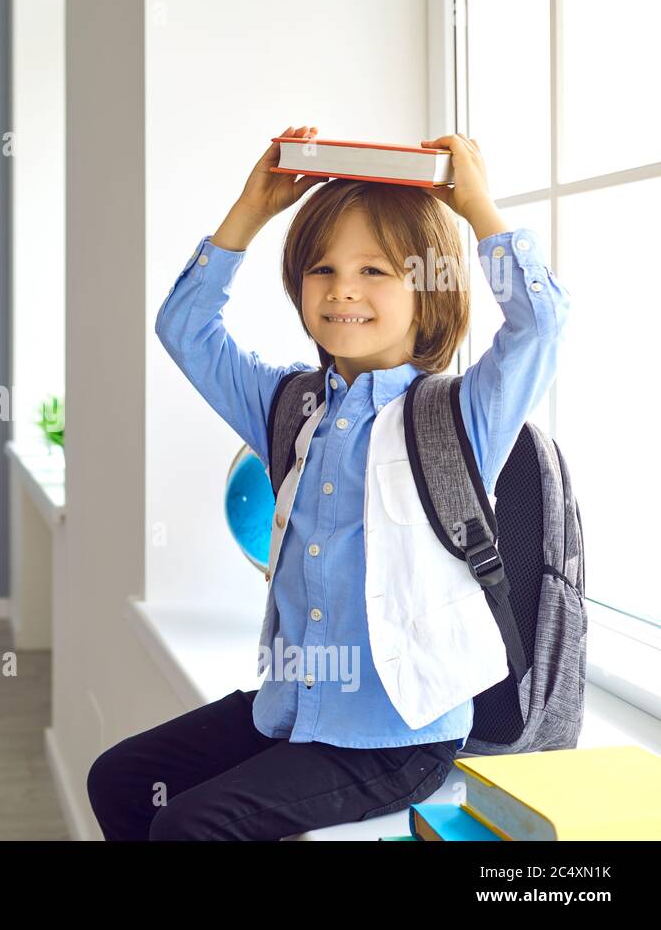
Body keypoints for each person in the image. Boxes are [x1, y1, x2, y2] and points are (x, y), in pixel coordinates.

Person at [88, 126, 571, 840]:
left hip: (399, 734)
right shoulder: (291, 408)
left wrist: (479, 211)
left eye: (375, 271)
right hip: (294, 710)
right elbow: (184, 328)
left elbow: (542, 324)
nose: (343, 289)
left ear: (429, 288)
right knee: (121, 780)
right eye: (322, 269)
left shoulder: (458, 414)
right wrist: (252, 210)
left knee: (192, 827)